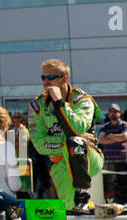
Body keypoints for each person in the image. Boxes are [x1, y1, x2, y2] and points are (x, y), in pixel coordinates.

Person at [29, 58, 100, 211]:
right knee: (68, 209)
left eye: (51, 77)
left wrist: (59, 102)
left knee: (75, 143)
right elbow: (40, 145)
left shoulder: (81, 100)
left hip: (88, 159)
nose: (46, 82)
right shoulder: (38, 105)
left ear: (64, 78)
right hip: (60, 163)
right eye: (43, 78)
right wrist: (66, 142)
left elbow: (77, 128)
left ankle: (82, 194)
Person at [97, 104, 127, 205]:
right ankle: (111, 204)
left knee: (123, 183)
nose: (113, 113)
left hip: (122, 159)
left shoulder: (125, 125)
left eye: (115, 111)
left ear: (119, 113)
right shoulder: (105, 127)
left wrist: (111, 136)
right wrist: (117, 138)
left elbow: (124, 137)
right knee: (109, 184)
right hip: (109, 160)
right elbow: (102, 140)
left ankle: (125, 204)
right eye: (111, 111)